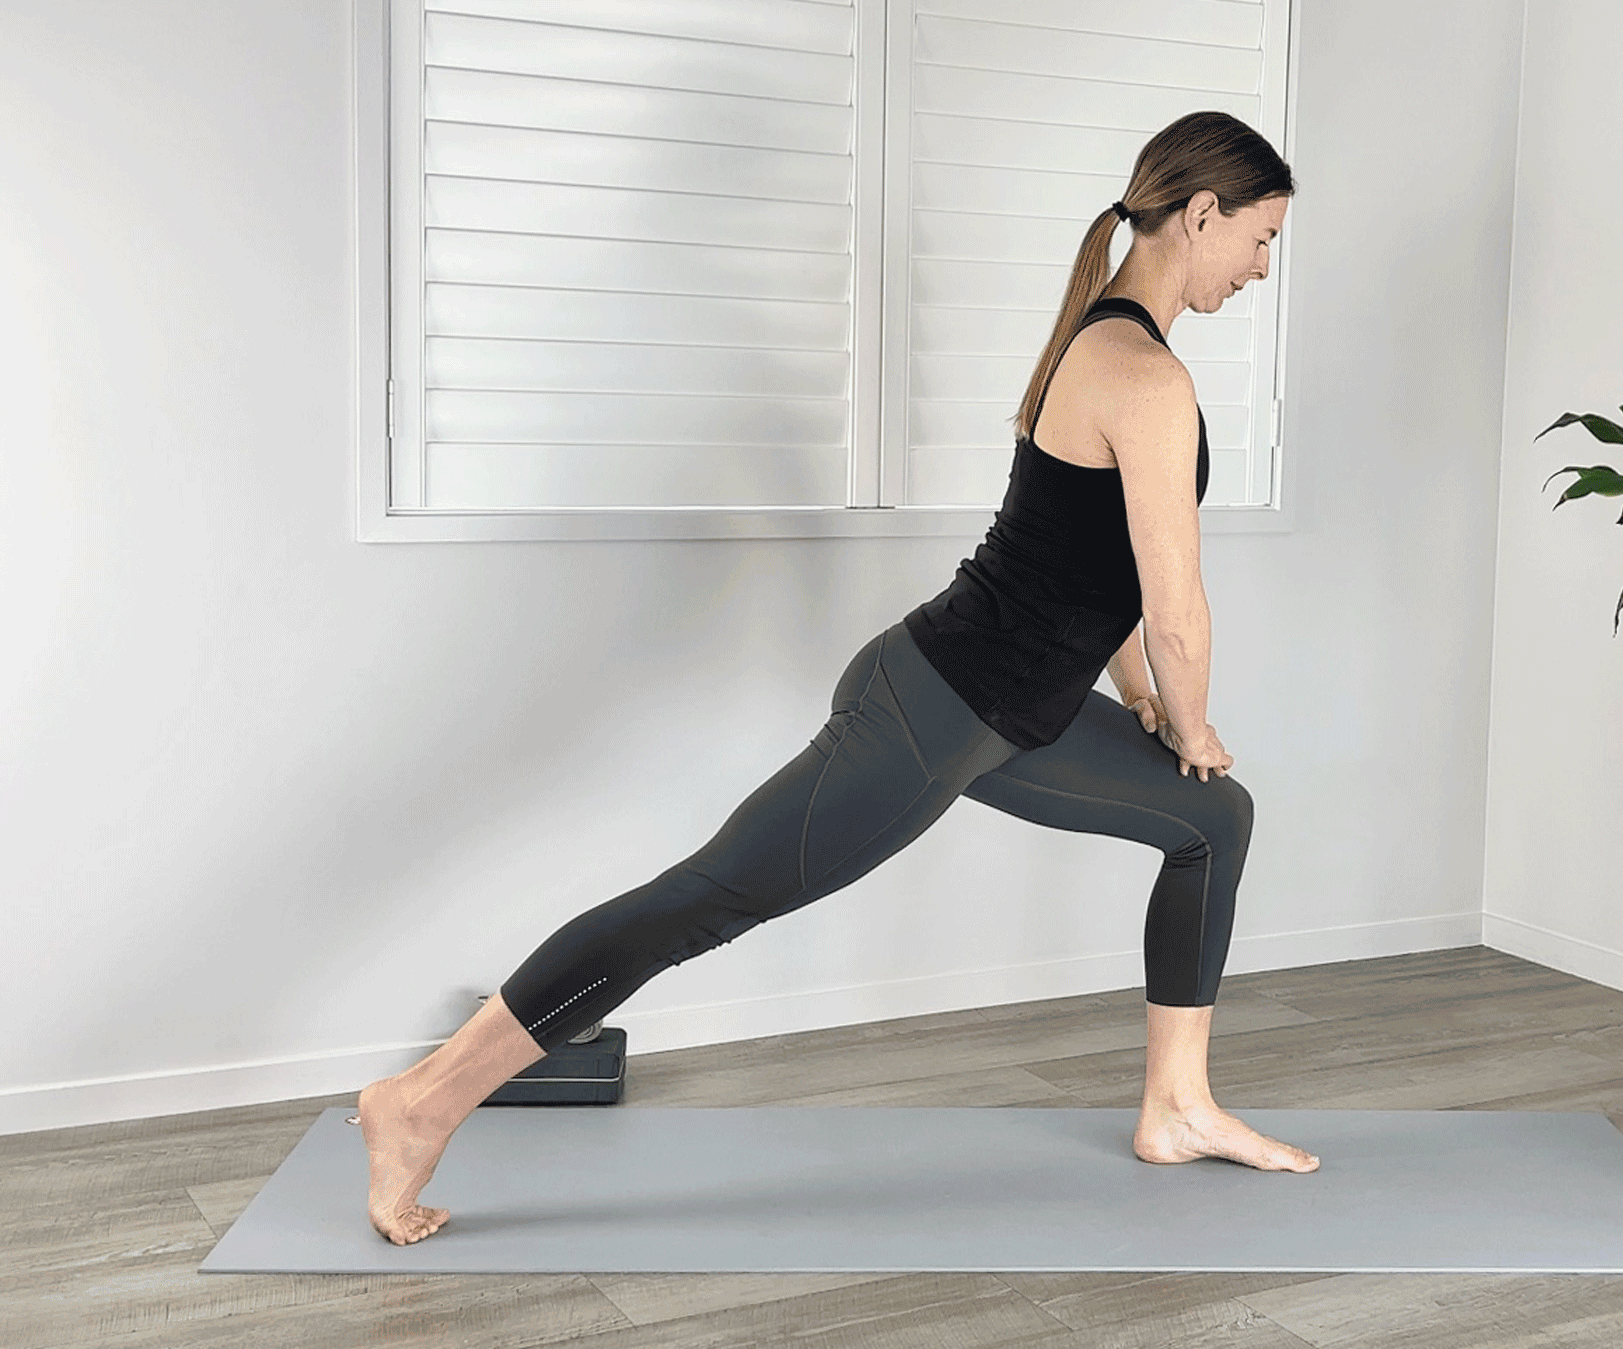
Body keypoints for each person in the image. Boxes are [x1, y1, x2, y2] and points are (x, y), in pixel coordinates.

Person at [354, 111, 1308, 1246]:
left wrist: (1141, 699)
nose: (1260, 266)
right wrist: (1189, 713)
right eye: (1260, 238)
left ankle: (1176, 1105)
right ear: (1202, 212)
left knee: (1212, 819)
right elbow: (1176, 606)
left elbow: (1086, 555)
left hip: (1018, 712)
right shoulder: (1140, 373)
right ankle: (421, 1098)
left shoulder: (1112, 352)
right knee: (704, 898)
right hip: (936, 709)